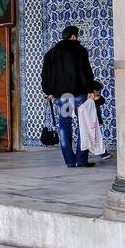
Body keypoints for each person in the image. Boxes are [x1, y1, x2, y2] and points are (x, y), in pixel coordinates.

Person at [41, 25, 98, 168]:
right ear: (74, 36)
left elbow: (45, 75)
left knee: (64, 127)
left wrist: (48, 91)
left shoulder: (51, 53)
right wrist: (90, 89)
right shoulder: (80, 51)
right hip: (79, 95)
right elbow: (85, 73)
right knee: (83, 126)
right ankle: (81, 159)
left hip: (63, 96)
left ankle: (69, 160)